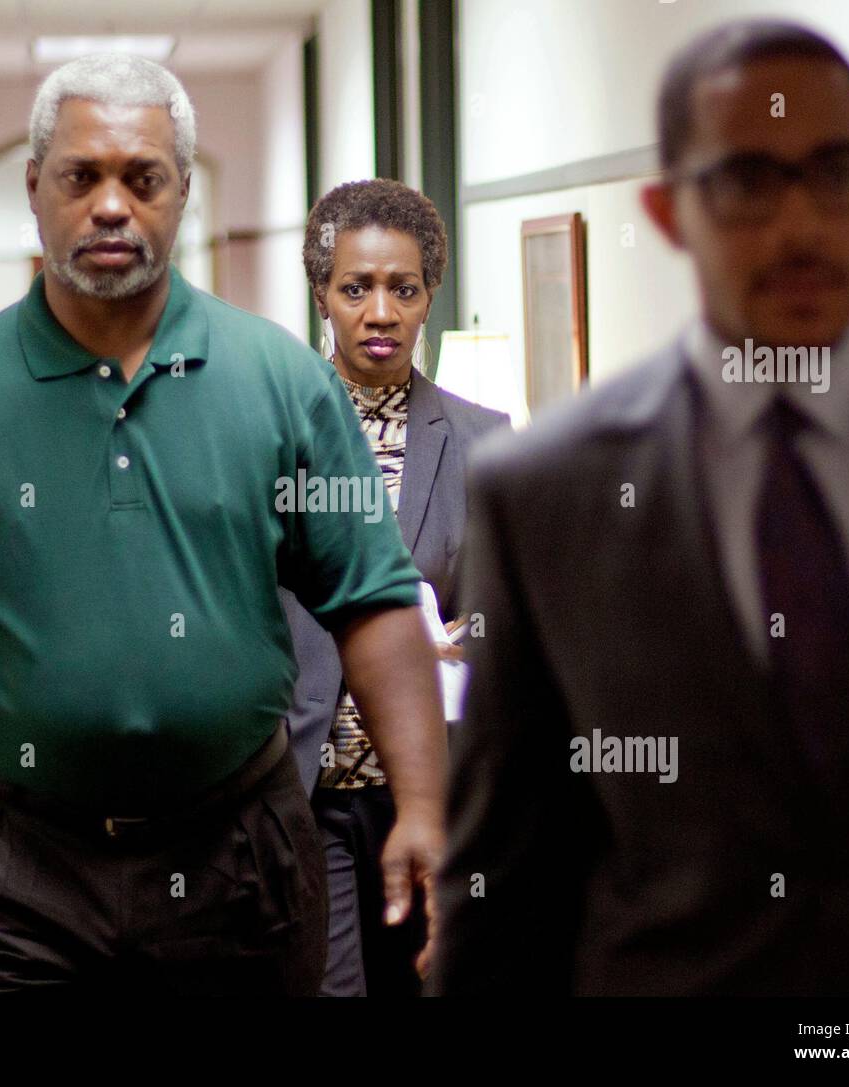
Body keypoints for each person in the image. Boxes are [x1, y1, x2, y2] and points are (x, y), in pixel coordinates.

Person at [0, 53, 447, 998]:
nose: (109, 206)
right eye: (80, 176)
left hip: (240, 863)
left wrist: (422, 806)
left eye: (143, 179)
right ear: (34, 188)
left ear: (183, 195)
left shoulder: (281, 383)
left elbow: (374, 603)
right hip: (18, 874)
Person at [430, 19, 849, 996]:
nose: (799, 224)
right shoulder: (549, 491)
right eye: (747, 181)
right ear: (668, 208)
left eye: (833, 172)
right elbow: (507, 876)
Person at [283, 179, 509, 996]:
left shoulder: (485, 440)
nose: (380, 311)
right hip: (303, 787)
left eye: (402, 289)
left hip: (426, 787)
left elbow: (508, 618)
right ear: (323, 296)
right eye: (356, 287)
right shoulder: (273, 433)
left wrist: (466, 633)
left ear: (428, 298)